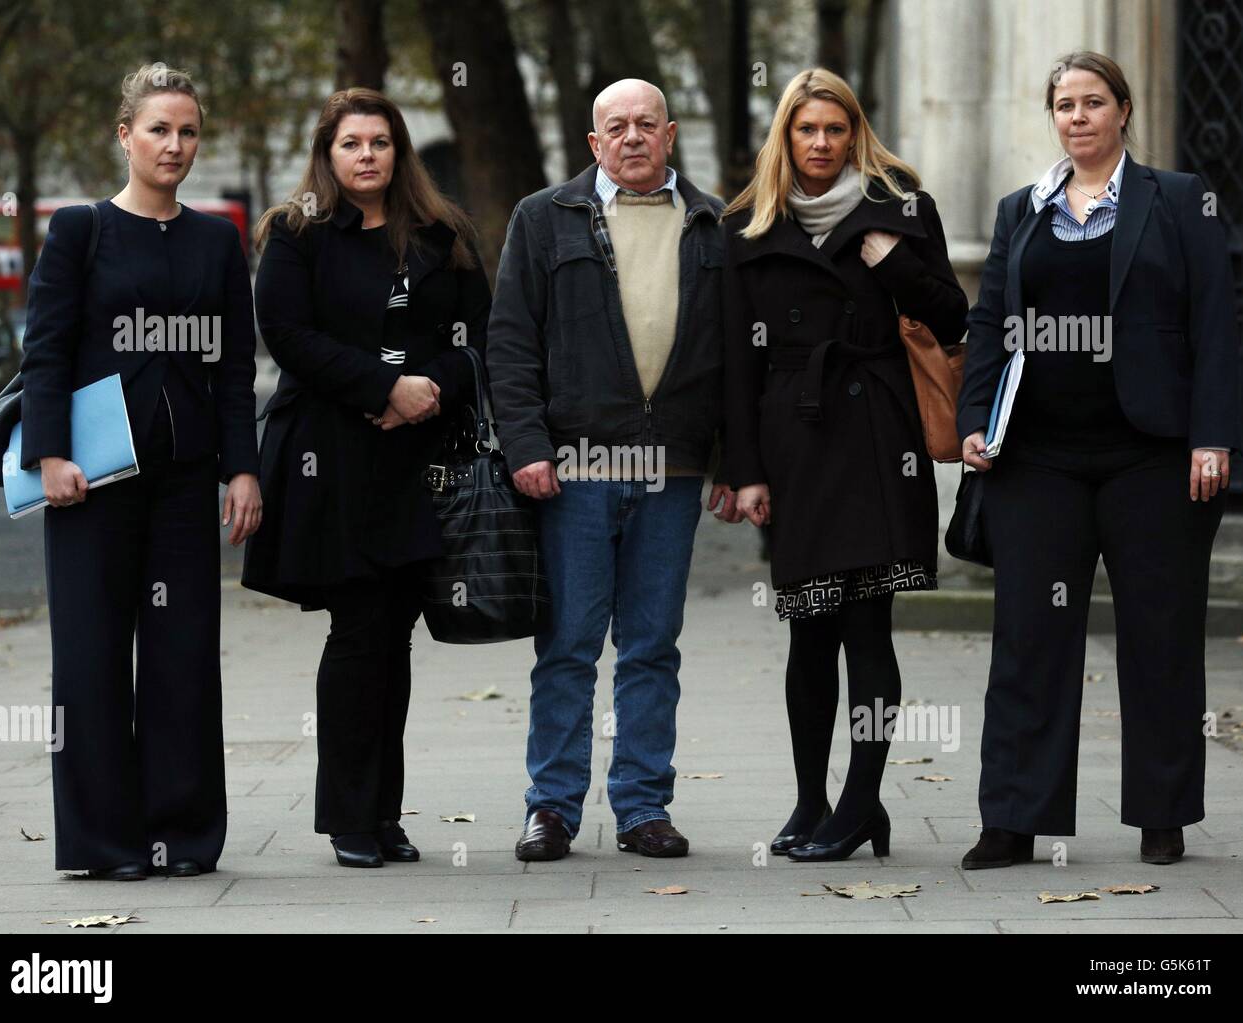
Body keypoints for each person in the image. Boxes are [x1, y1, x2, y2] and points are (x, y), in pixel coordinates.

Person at [957, 52, 1238, 869]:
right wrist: (977, 417)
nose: (1076, 117)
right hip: (1038, 458)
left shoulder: (1179, 201)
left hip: (1151, 456)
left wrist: (1210, 436)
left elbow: (1215, 322)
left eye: (1092, 102)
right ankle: (1012, 818)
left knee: (1162, 636)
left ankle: (1162, 813)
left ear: (1123, 109)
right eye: (1063, 105)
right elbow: (991, 324)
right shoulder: (1022, 211)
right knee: (1028, 640)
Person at [488, 78, 741, 862]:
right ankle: (553, 808)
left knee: (652, 646)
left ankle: (641, 808)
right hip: (575, 469)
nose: (632, 137)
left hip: (674, 471)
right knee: (567, 643)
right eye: (614, 127)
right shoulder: (543, 218)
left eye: (645, 125)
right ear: (594, 143)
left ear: (668, 135)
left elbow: (736, 355)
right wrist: (526, 446)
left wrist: (735, 462)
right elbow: (510, 343)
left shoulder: (714, 224)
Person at [20, 63, 260, 880]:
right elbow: (45, 350)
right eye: (159, 129)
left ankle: (180, 834)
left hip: (187, 482)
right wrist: (49, 454)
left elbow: (233, 368)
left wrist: (243, 470)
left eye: (188, 131)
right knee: (89, 662)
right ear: (125, 135)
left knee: (183, 657)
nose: (176, 144)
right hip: (91, 482)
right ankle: (103, 844)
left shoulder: (216, 239)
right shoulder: (79, 230)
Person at [723, 68, 968, 862]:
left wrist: (894, 262)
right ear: (786, 138)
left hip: (877, 433)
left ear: (854, 131)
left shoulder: (901, 207)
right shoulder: (749, 224)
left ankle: (860, 802)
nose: (821, 143)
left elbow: (956, 316)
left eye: (835, 128)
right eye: (807, 130)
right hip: (796, 437)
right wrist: (746, 468)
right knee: (807, 629)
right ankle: (810, 802)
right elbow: (735, 362)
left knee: (868, 625)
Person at [242, 88, 489, 868]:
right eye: (351, 144)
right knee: (357, 629)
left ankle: (385, 813)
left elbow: (476, 334)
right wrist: (382, 387)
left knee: (397, 634)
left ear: (398, 150)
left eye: (379, 143)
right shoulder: (296, 234)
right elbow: (287, 333)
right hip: (331, 460)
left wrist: (431, 388)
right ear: (329, 152)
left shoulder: (442, 233)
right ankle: (349, 817)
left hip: (419, 458)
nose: (366, 156)